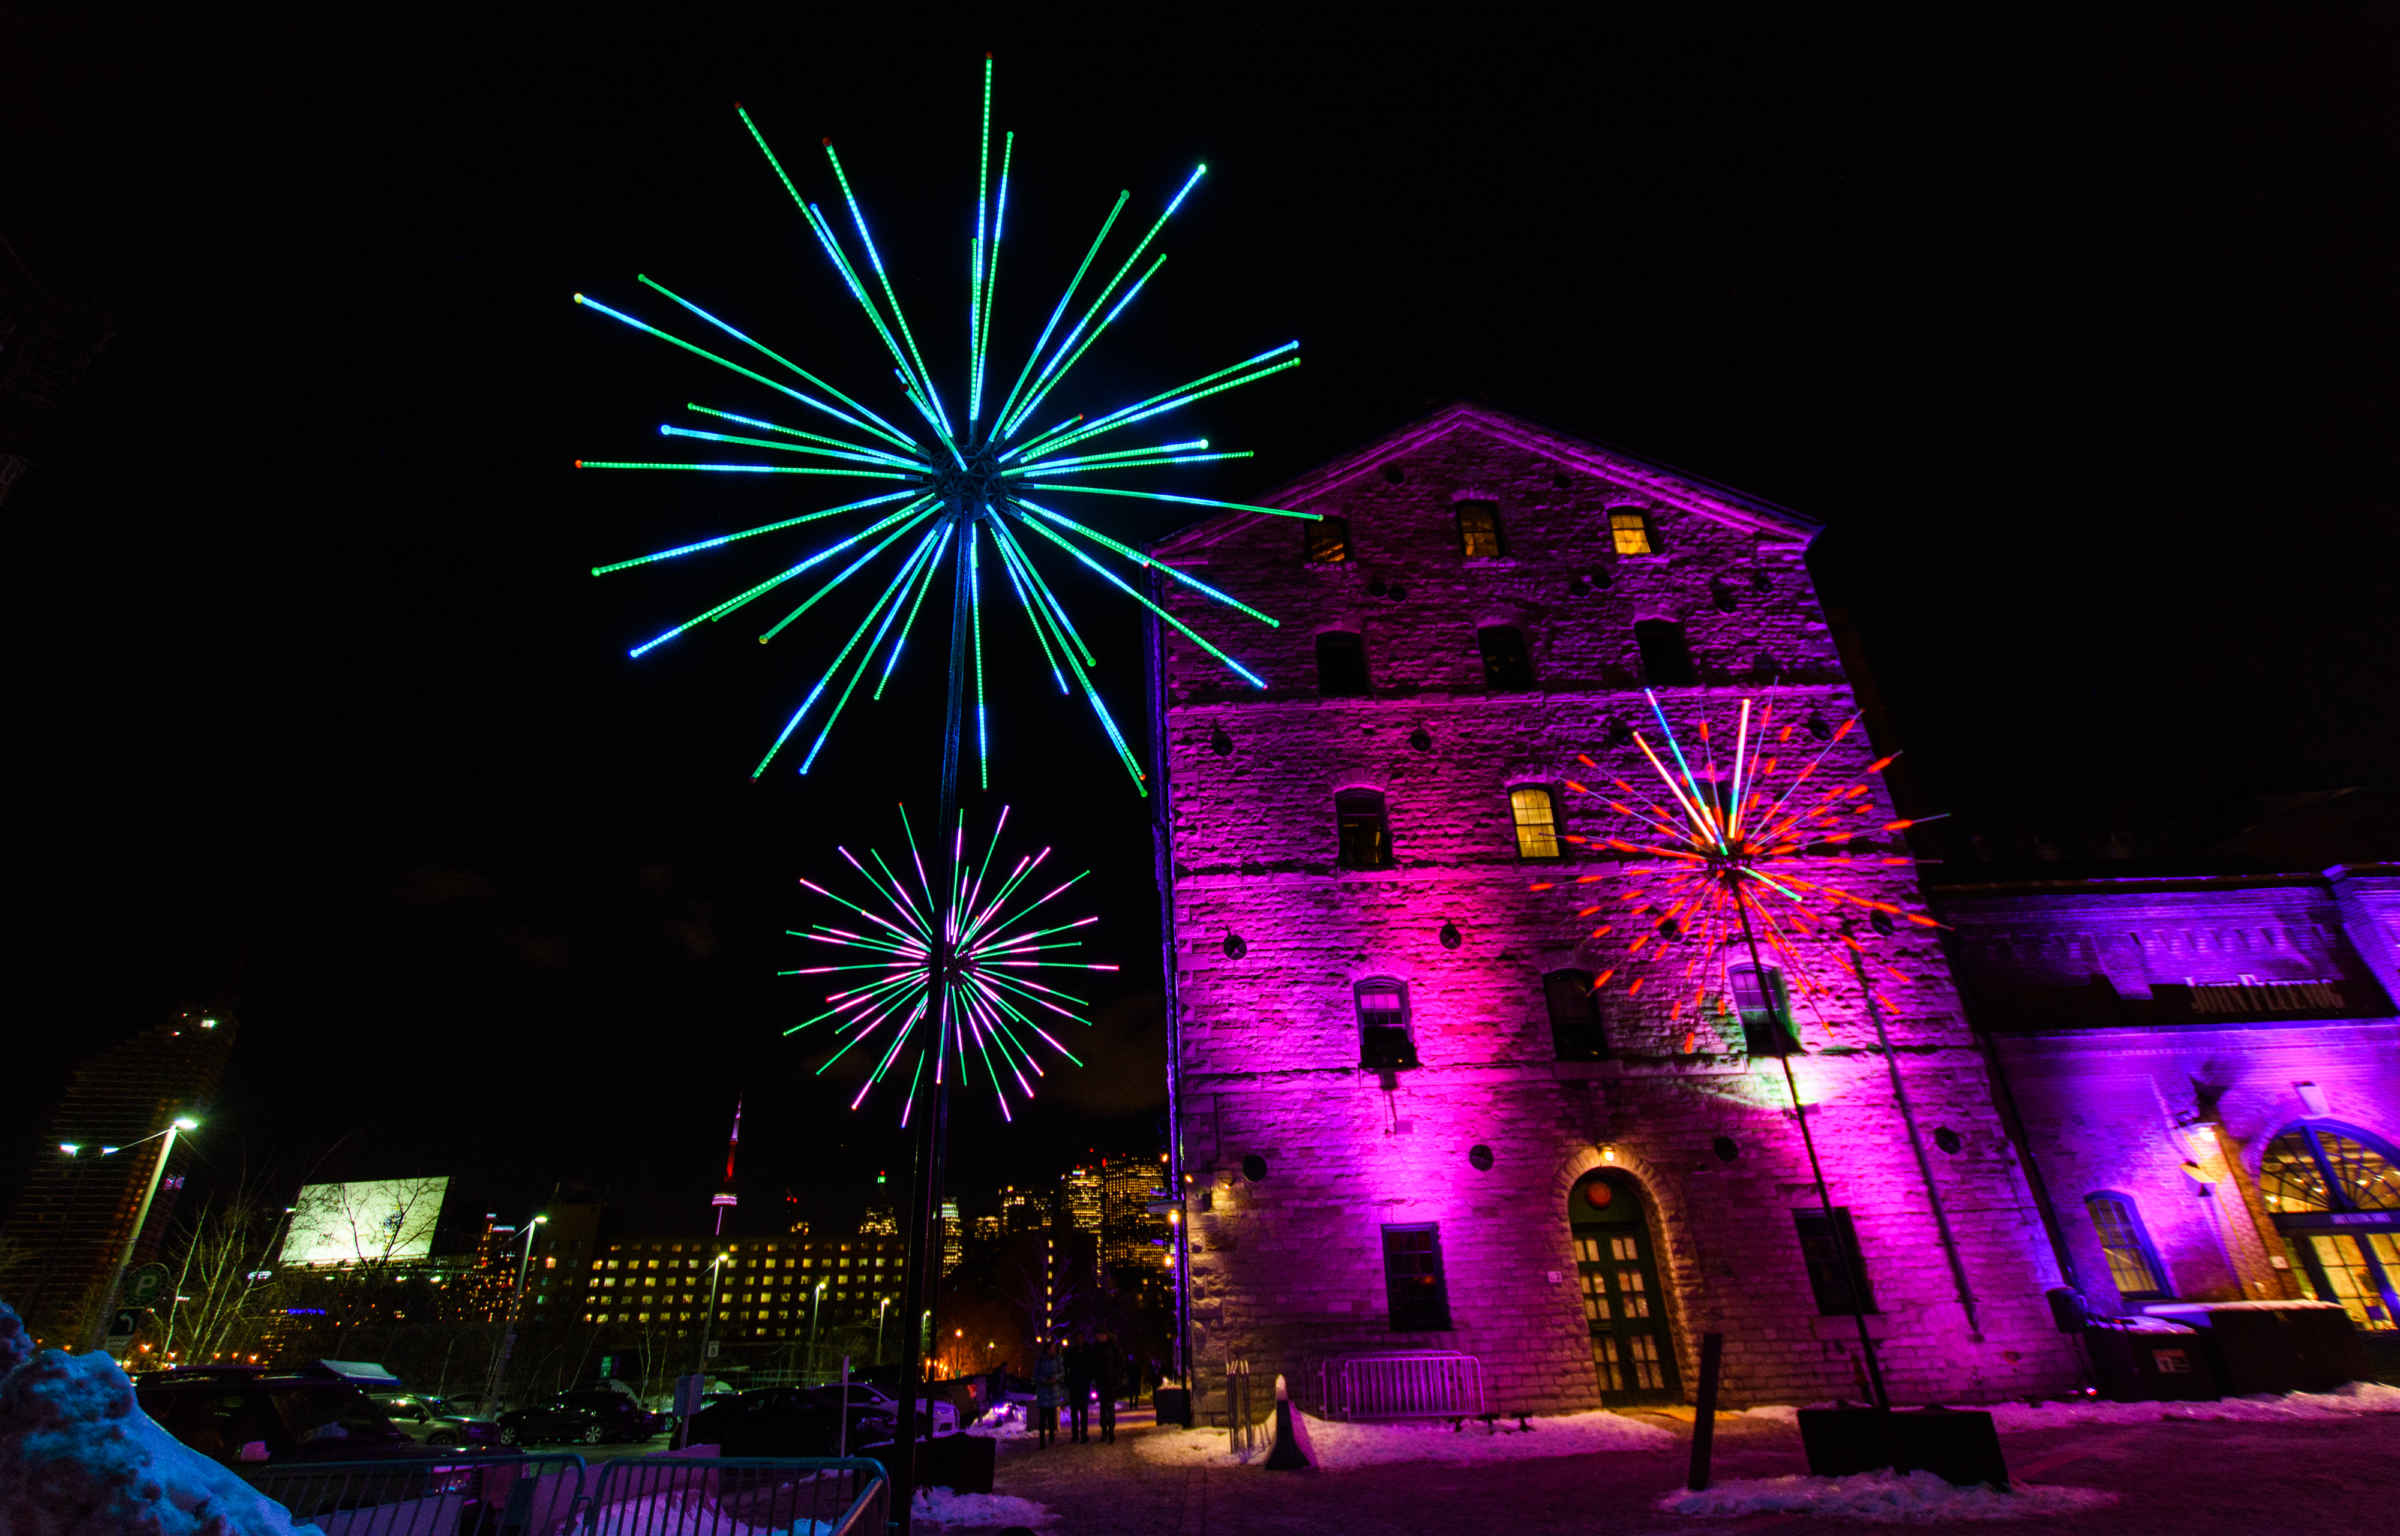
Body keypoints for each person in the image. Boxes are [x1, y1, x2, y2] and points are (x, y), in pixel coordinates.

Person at [1031, 1343, 1063, 1450]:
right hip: (1043, 1392)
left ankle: (1051, 1437)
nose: (1053, 1350)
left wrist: (1055, 1378)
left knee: (1051, 1417)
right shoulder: (1040, 1360)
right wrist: (1043, 1380)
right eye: (1052, 1349)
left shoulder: (1057, 1359)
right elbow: (1035, 1375)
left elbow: (1062, 1372)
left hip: (1053, 1392)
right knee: (1043, 1418)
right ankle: (1042, 1440)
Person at [1093, 1331, 1122, 1444]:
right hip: (1102, 1382)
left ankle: (1110, 1431)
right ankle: (1105, 1431)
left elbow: (1119, 1363)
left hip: (1110, 1382)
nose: (1100, 1337)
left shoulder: (1113, 1347)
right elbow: (1094, 1365)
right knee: (1103, 1408)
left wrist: (1116, 1378)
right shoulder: (1096, 1348)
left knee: (1109, 1407)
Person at [1063, 1337, 1094, 1444]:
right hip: (1075, 1384)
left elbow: (1090, 1367)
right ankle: (1076, 1434)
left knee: (1083, 1411)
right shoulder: (1072, 1352)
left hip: (1082, 1384)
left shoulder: (1086, 1352)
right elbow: (1066, 1366)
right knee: (1075, 1411)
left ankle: (1083, 1433)